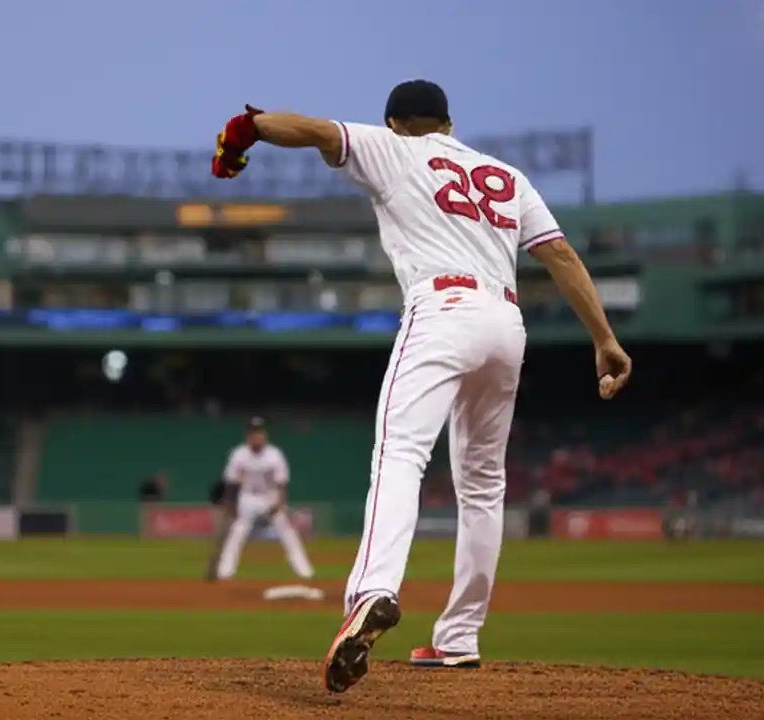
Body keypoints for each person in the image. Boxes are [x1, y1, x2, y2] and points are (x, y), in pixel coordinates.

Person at [211, 80, 632, 694]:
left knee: (400, 456)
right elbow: (562, 256)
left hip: (442, 309)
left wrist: (249, 129)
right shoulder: (506, 176)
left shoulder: (396, 148)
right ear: (450, 123)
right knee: (485, 484)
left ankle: (372, 594)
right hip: (506, 323)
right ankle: (460, 638)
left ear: (396, 122)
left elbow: (320, 131)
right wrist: (604, 338)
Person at [213, 417, 314, 582]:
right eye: (253, 433)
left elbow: (281, 484)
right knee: (237, 531)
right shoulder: (239, 454)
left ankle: (304, 571)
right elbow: (231, 483)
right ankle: (225, 572)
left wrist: (279, 504)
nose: (256, 436)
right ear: (248, 435)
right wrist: (231, 506)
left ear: (264, 435)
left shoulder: (274, 454)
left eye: (259, 432)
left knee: (287, 530)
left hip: (270, 497)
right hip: (247, 498)